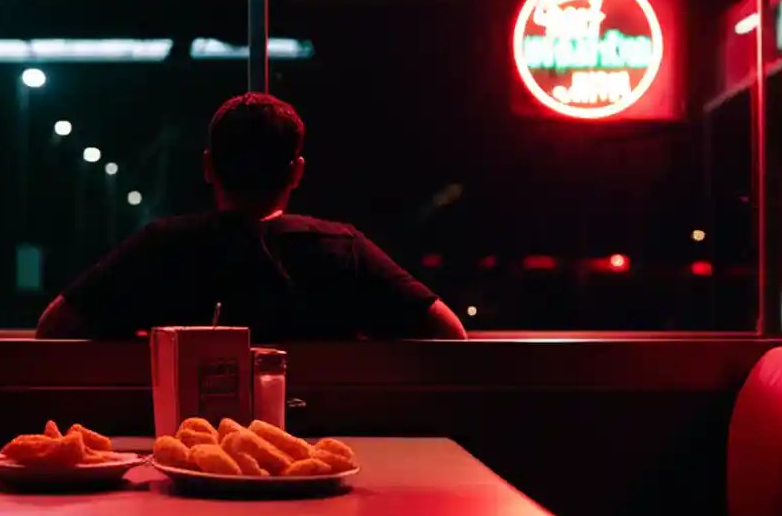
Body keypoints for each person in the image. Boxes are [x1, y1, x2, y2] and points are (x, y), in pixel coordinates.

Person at [36, 93, 466, 341]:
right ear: (296, 171)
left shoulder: (163, 247)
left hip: (187, 448)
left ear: (208, 167)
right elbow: (449, 333)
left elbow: (55, 327)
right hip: (318, 447)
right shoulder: (343, 250)